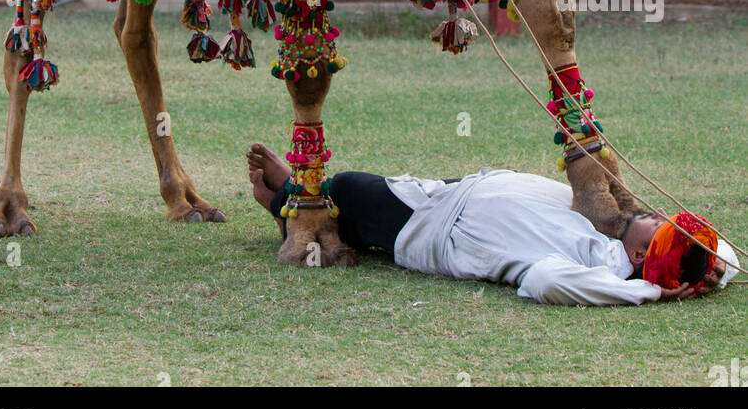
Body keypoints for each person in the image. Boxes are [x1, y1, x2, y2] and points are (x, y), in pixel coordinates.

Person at [247, 143, 739, 305]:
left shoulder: (603, 267)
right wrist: (719, 269)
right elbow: (727, 259)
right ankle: (293, 198)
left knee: (350, 190)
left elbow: (543, 282)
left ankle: (285, 202)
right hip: (453, 189)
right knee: (356, 194)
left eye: (658, 227)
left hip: (433, 225)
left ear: (639, 258)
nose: (654, 214)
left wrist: (651, 293)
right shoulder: (611, 225)